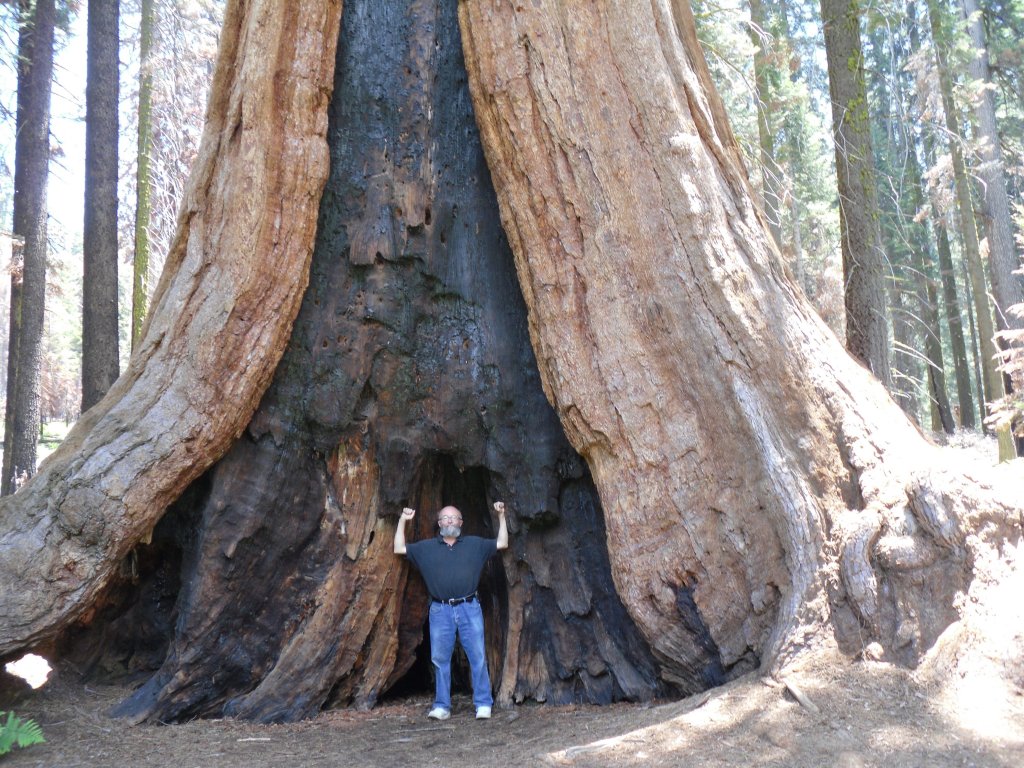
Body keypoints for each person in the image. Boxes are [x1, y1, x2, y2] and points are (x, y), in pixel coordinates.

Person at [394, 501, 508, 720]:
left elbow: (502, 543)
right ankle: (442, 706)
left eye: (454, 517)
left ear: (461, 522)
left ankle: (483, 703)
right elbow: (399, 548)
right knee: (440, 659)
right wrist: (402, 520)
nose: (449, 521)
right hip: (440, 610)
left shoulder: (475, 545)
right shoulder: (426, 548)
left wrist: (501, 515)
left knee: (478, 657)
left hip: (469, 607)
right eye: (445, 518)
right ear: (439, 524)